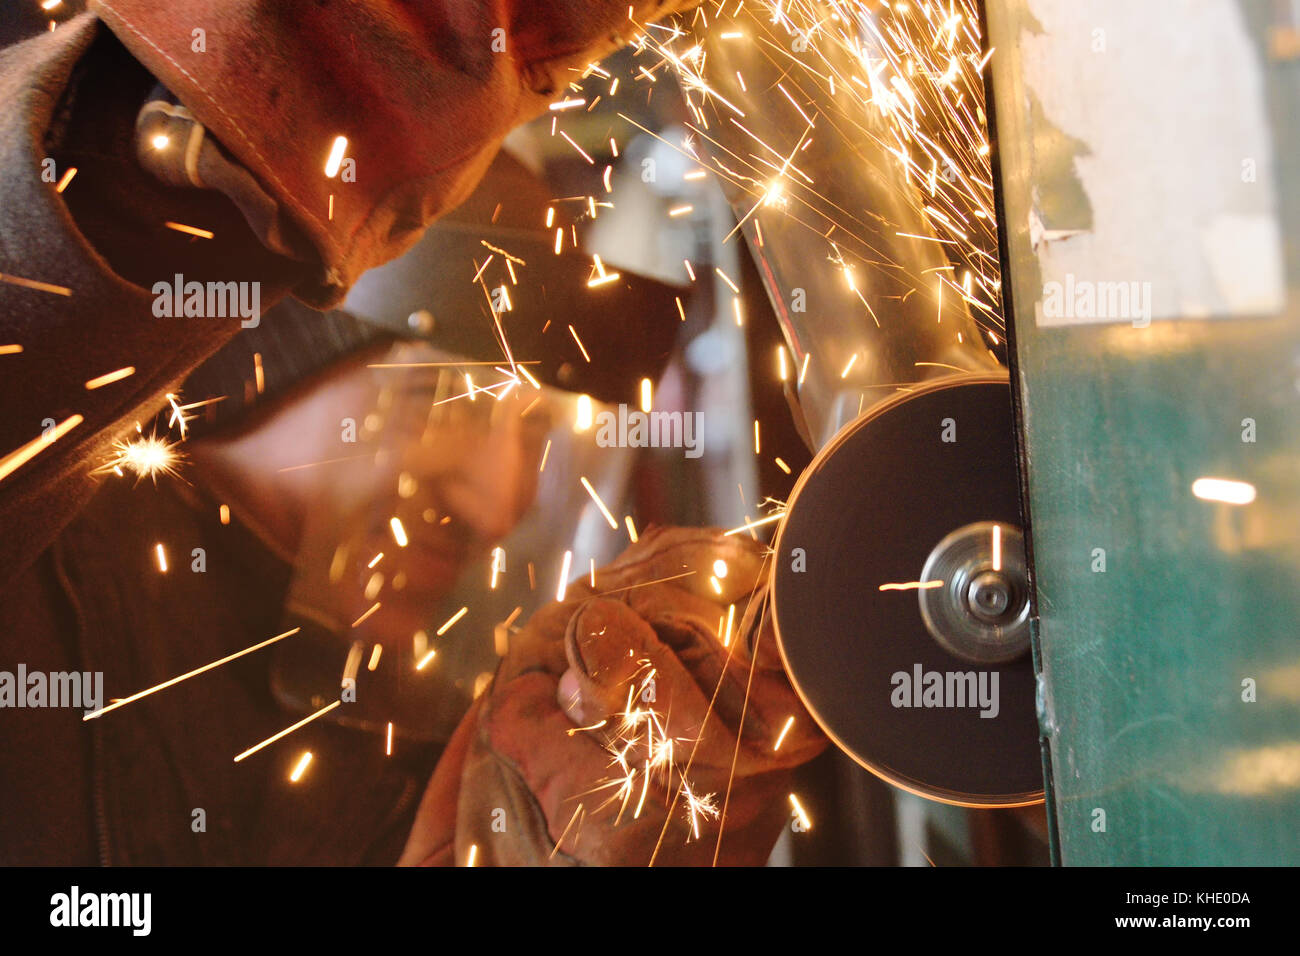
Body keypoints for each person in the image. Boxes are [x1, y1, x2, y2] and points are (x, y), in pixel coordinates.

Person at [0, 3, 824, 865]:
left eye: (543, 446)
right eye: (505, 413)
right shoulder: (40, 520)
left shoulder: (364, 776)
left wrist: (588, 805)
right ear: (351, 331)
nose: (500, 503)